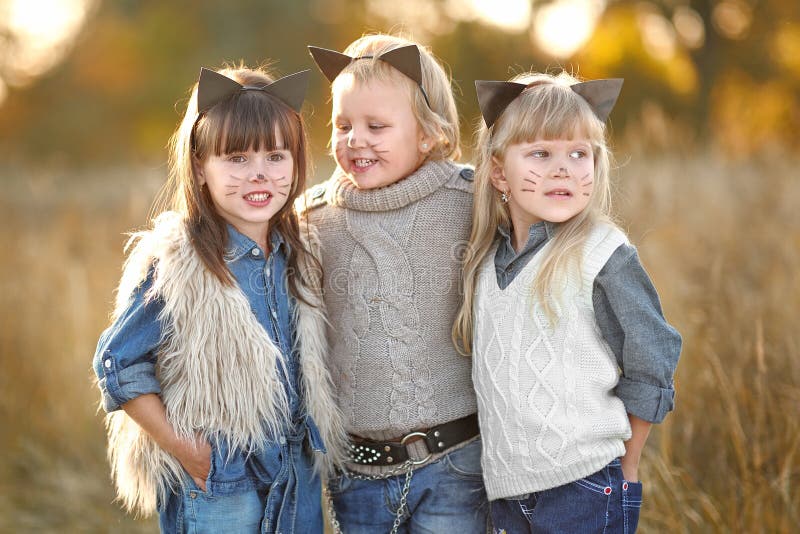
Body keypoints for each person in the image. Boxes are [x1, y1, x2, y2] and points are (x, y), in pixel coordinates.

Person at [92, 65, 346, 533]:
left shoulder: (300, 254)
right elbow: (116, 363)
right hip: (222, 481)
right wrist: (187, 449)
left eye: (275, 156)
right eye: (236, 158)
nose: (259, 175)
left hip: (295, 477)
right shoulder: (180, 264)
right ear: (199, 167)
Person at [453, 72, 681, 533]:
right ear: (498, 172)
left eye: (579, 154)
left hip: (586, 486)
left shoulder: (601, 253)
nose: (564, 169)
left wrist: (628, 461)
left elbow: (653, 356)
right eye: (541, 153)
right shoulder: (482, 262)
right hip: (506, 494)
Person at [300, 34, 488, 533]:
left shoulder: (470, 202)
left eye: (376, 126)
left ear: (427, 134)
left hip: (455, 461)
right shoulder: (313, 219)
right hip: (356, 471)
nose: (354, 139)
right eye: (343, 125)